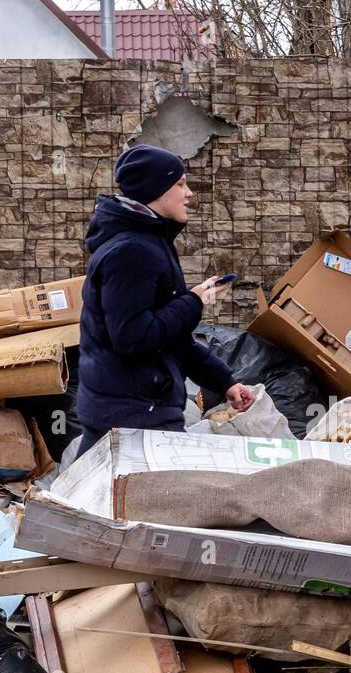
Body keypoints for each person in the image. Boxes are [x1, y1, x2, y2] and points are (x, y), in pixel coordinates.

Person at [75, 143, 253, 458]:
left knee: (86, 501)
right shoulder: (133, 252)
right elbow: (133, 337)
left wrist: (224, 382)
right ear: (155, 190)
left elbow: (169, 340)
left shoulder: (148, 242)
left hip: (133, 411)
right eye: (180, 184)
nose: (189, 193)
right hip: (135, 417)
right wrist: (194, 301)